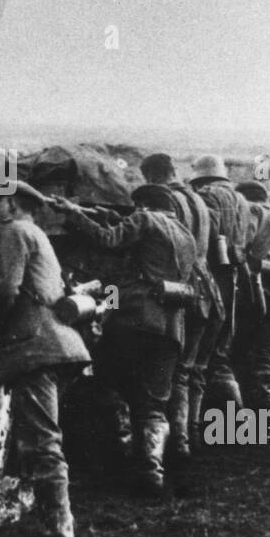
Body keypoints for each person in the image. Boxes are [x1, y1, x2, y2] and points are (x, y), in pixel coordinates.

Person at [0, 184, 90, 537]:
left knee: (42, 446)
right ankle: (54, 536)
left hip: (35, 348)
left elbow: (6, 292)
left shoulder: (13, 231)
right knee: (41, 443)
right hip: (57, 345)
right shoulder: (38, 235)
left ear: (9, 204)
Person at [53, 185, 196, 497]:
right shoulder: (185, 233)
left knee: (111, 384)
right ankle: (152, 472)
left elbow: (110, 239)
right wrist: (103, 214)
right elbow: (122, 225)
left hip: (134, 321)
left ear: (143, 205)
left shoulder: (143, 219)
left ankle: (117, 456)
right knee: (154, 402)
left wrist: (74, 214)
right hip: (171, 327)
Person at [138, 153, 219, 464]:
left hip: (178, 294)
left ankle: (172, 447)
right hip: (206, 291)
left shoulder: (168, 202)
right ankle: (188, 440)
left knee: (167, 374)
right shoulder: (196, 198)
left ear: (152, 178)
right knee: (188, 371)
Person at [189, 155, 252, 427]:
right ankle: (233, 414)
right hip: (237, 274)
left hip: (212, 274)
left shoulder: (205, 196)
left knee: (201, 347)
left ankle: (201, 419)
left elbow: (201, 233)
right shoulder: (240, 199)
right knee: (223, 345)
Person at [233, 181, 270, 410]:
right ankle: (269, 403)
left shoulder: (253, 212)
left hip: (257, 291)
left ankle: (246, 408)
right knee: (268, 352)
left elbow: (242, 247)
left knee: (244, 349)